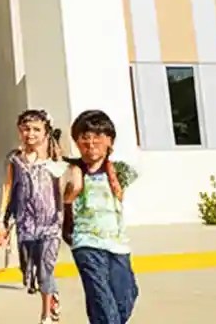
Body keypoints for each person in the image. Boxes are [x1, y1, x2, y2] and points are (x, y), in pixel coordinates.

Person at [63, 110, 139, 324]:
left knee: (127, 296)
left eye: (98, 136)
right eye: (84, 137)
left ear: (109, 141)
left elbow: (139, 169)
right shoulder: (71, 169)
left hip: (118, 244)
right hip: (85, 242)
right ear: (77, 141)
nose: (91, 142)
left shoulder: (120, 171)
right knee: (102, 300)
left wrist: (110, 167)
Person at [0, 109, 68, 324]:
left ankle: (45, 315)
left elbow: (66, 188)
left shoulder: (55, 159)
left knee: (46, 268)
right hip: (26, 223)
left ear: (46, 132)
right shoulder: (15, 159)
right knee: (28, 270)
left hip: (51, 223)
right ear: (20, 131)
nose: (31, 134)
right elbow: (8, 188)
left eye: (36, 129)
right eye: (26, 129)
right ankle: (52, 293)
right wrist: (2, 218)